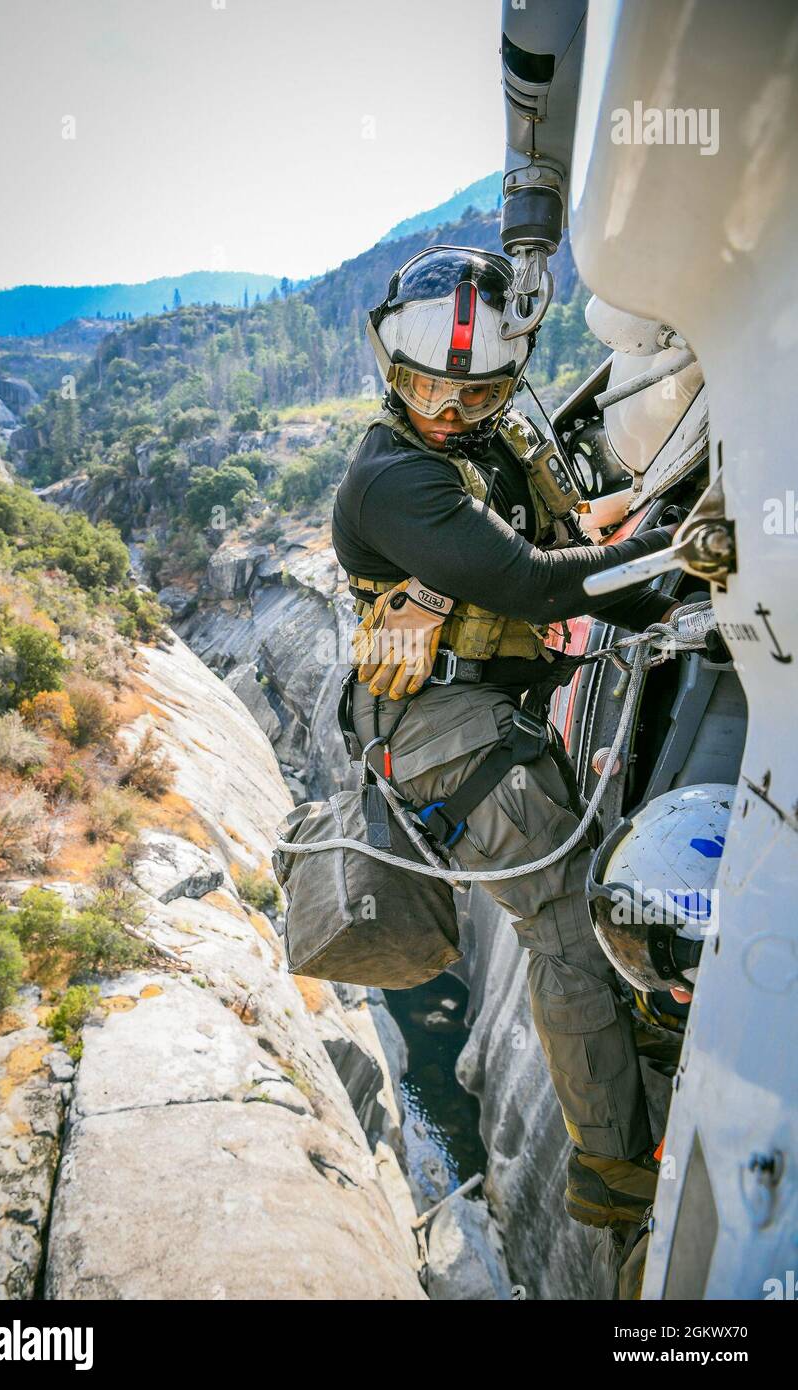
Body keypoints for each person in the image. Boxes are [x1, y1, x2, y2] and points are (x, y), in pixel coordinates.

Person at [331, 245, 681, 1228]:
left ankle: (638, 1029)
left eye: (470, 393)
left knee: (578, 891)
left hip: (488, 717)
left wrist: (647, 569)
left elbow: (565, 537)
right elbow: (531, 581)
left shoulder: (491, 444)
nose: (443, 409)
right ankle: (612, 1169)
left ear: (506, 383)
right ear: (388, 371)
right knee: (563, 926)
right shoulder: (395, 476)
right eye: (421, 387)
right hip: (450, 733)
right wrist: (684, 547)